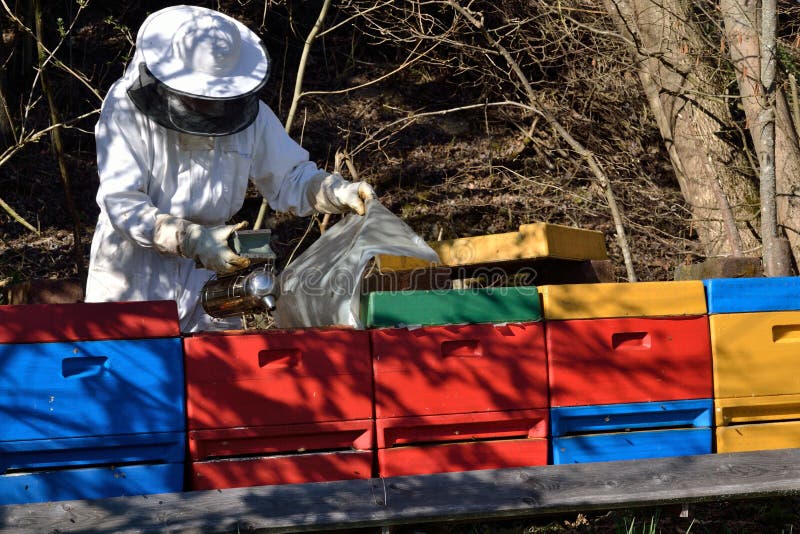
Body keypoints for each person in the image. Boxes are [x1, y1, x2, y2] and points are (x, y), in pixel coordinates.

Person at [85, 5, 375, 332]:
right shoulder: (126, 108)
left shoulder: (247, 113)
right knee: (136, 379)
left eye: (218, 95)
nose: (212, 105)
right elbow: (122, 202)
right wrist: (186, 237)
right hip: (133, 279)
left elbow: (290, 177)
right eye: (201, 95)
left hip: (212, 282)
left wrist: (335, 191)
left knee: (214, 378)